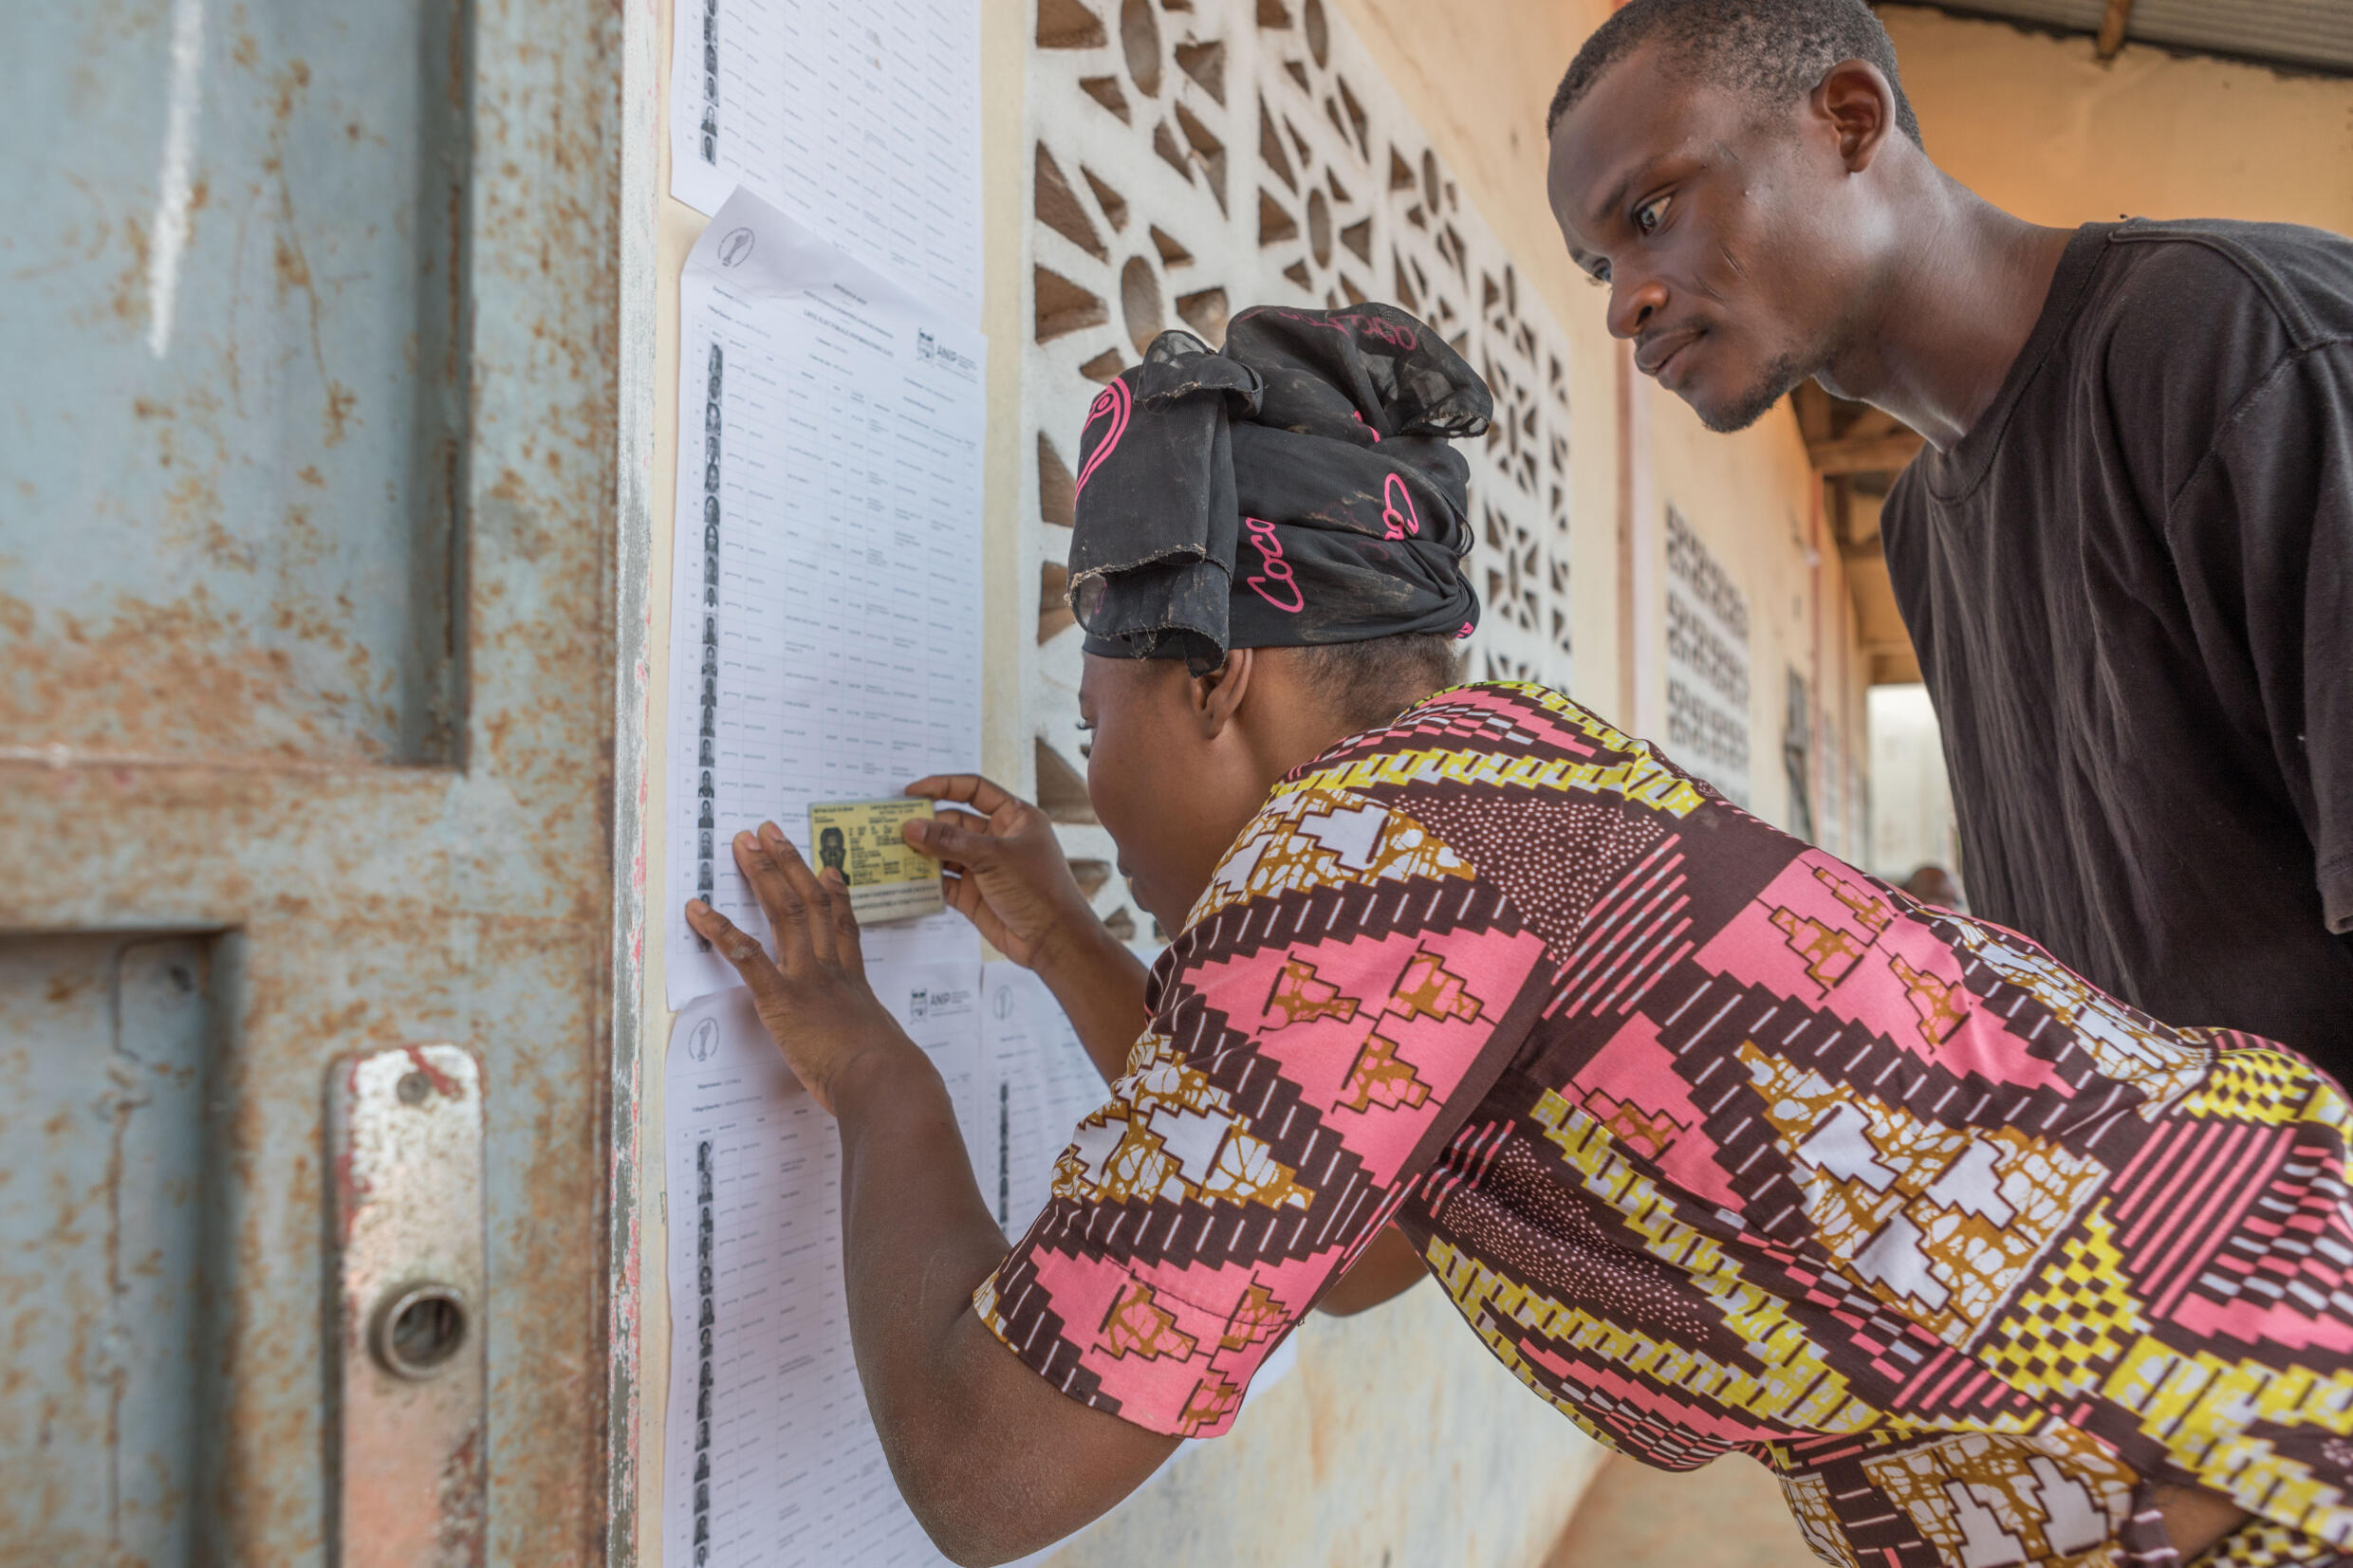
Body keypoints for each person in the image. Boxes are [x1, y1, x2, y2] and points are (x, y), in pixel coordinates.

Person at [682, 304, 2353, 1567]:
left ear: (1217, 679)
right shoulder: (1519, 775)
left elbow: (990, 1472)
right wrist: (1058, 937)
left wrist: (874, 1072)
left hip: (2252, 1455)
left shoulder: (1356, 866)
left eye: (1095, 709)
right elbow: (1361, 1249)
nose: (1093, 773)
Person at [1543, 0, 2352, 1064]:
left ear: (1846, 119)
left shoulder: (2232, 342)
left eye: (1650, 213)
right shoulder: (1919, 533)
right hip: (2163, 1220)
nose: (1622, 307)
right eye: (1598, 268)